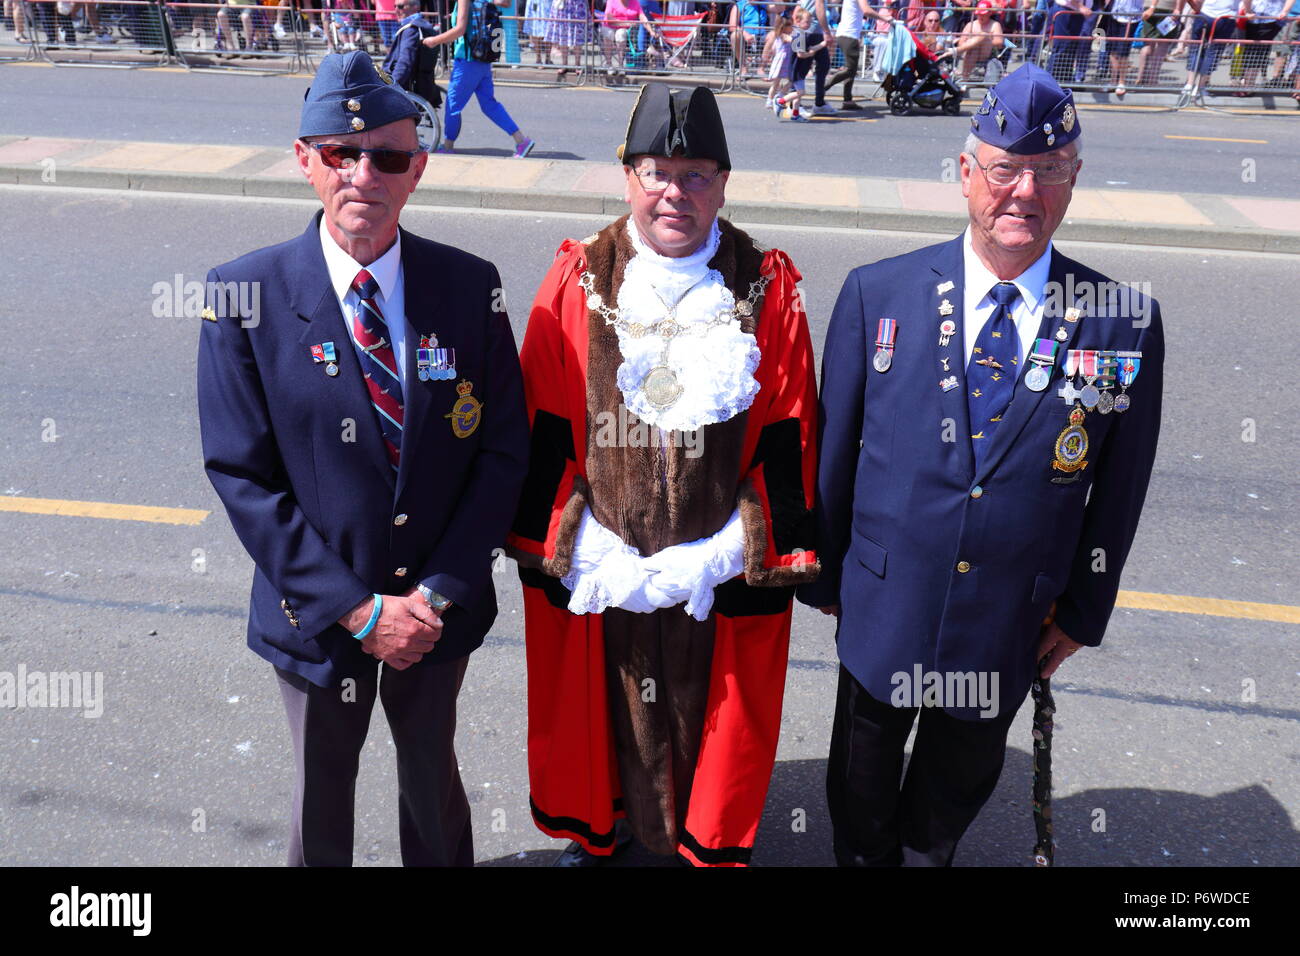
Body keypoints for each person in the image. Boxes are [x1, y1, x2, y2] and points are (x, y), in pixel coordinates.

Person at [800, 64, 1164, 867]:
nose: (1024, 193)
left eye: (1050, 172)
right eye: (1005, 169)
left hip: (1006, 619)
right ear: (967, 174)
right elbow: (836, 451)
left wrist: (1082, 611)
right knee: (858, 800)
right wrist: (827, 579)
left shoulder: (1123, 320)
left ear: (1074, 181)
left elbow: (1121, 488)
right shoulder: (878, 293)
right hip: (884, 605)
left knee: (946, 807)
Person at [196, 51, 530, 866]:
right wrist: (355, 608)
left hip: (433, 611)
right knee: (323, 794)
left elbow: (501, 450)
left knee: (430, 777)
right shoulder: (244, 295)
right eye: (339, 154)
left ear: (417, 169)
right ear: (306, 160)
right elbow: (242, 475)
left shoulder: (468, 283)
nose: (361, 175)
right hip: (316, 612)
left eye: (385, 156)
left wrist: (439, 594)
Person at [507, 84, 821, 867]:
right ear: (628, 177)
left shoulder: (768, 286)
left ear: (723, 182)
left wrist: (719, 555)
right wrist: (583, 549)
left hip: (714, 575)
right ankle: (602, 837)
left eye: (696, 175)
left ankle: (695, 845)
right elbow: (541, 432)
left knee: (711, 726)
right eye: (657, 173)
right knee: (600, 723)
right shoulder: (579, 277)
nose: (675, 193)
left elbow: (790, 436)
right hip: (604, 570)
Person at [421, 0, 537, 155]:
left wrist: (434, 41)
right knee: (489, 105)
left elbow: (460, 30)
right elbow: (506, 3)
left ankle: (448, 146)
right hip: (483, 61)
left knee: (453, 106)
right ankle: (521, 141)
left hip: (467, 62)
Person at [825, 0, 892, 109]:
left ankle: (848, 100)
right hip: (848, 35)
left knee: (851, 70)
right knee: (850, 70)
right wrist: (886, 19)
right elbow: (866, 10)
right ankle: (822, 89)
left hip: (849, 35)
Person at [383, 0, 442, 107]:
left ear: (415, 7)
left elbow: (404, 63)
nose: (396, 10)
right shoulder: (423, 25)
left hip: (403, 82)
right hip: (423, 81)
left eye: (400, 6)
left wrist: (393, 85)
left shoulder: (410, 30)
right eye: (395, 6)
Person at [1180, 0, 1242, 101]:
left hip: (1206, 14)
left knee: (1196, 49)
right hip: (1225, 17)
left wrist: (1196, 8)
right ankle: (1200, 86)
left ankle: (1190, 85)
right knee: (1213, 52)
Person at [955, 0, 1005, 81]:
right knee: (974, 50)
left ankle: (964, 76)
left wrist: (983, 40)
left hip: (988, 53)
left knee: (983, 36)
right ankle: (965, 79)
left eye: (983, 14)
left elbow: (999, 42)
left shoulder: (995, 25)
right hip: (970, 53)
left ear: (989, 13)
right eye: (979, 14)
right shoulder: (970, 25)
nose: (980, 16)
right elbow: (961, 42)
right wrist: (975, 42)